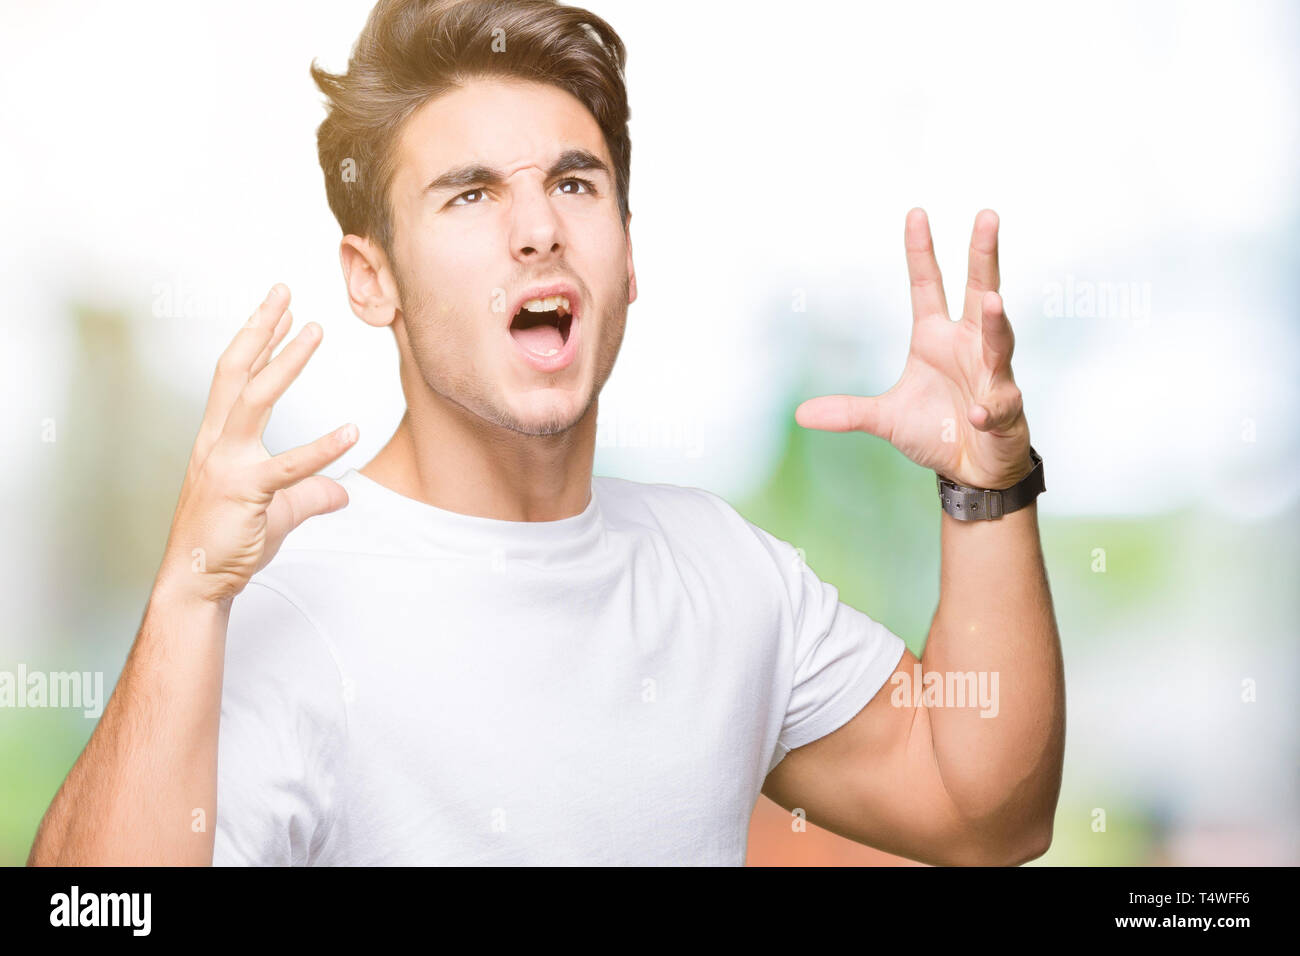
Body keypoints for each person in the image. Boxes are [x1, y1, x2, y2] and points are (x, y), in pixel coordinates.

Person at [27, 0, 1063, 866]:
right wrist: (184, 595)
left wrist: (991, 482)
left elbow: (986, 809)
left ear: (626, 255)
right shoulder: (287, 607)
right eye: (470, 193)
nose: (538, 227)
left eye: (574, 182)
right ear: (372, 278)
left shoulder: (726, 572)